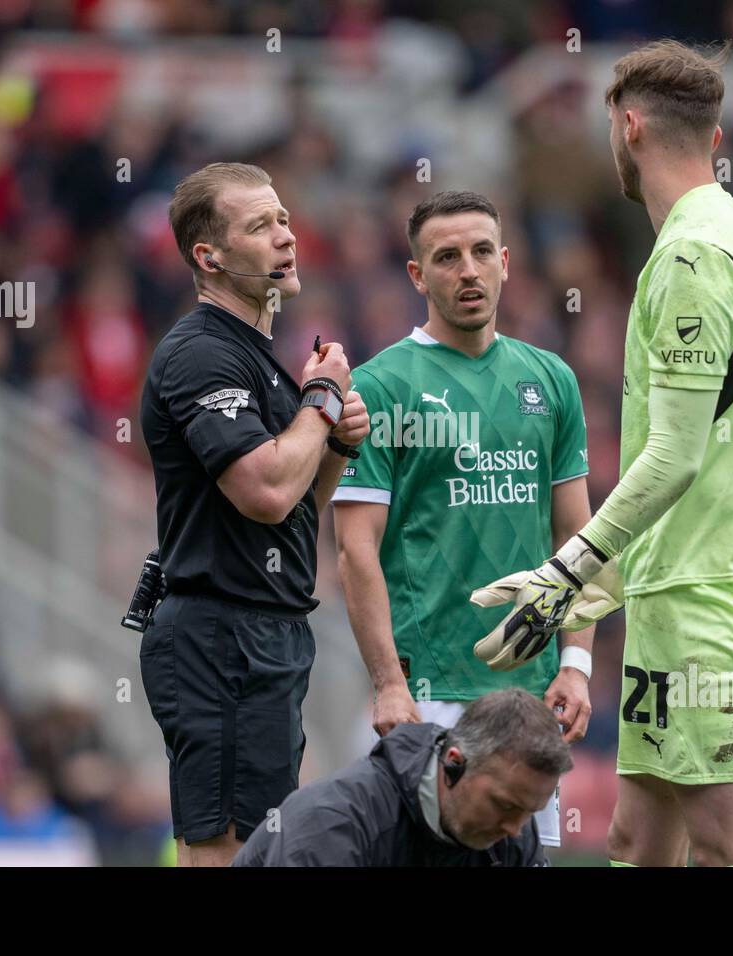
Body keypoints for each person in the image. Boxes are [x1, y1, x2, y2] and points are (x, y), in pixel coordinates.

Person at [471, 40, 733, 866]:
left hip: (708, 597)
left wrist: (565, 573)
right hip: (690, 577)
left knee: (730, 844)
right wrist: (605, 586)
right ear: (714, 138)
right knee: (636, 841)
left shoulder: (691, 257)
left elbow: (679, 455)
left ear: (628, 130)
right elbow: (730, 449)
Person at [331, 190, 595, 851]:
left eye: (481, 252)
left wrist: (578, 664)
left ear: (505, 262)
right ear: (418, 275)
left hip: (531, 697)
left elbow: (580, 537)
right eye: (446, 258)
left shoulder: (551, 380)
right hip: (428, 696)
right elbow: (355, 551)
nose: (468, 270)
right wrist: (388, 683)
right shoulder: (381, 386)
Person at [138, 162, 369, 866]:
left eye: (285, 220)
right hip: (220, 638)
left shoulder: (261, 361)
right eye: (260, 226)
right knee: (227, 857)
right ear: (209, 257)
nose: (285, 237)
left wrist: (333, 447)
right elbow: (265, 492)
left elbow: (294, 510)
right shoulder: (201, 351)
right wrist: (321, 403)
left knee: (262, 853)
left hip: (263, 634)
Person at [232, 688, 570, 866]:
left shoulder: (511, 838)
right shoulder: (331, 825)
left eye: (529, 812)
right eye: (505, 806)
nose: (515, 829)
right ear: (454, 763)